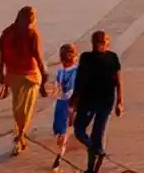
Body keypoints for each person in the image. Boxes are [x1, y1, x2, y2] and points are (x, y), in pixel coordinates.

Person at [0, 6, 48, 156]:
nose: (31, 23)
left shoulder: (33, 34)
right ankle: (20, 133)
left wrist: (43, 80)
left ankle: (20, 137)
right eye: (29, 20)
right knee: (17, 109)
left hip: (31, 76)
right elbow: (2, 54)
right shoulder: (7, 34)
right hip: (14, 75)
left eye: (32, 20)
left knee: (25, 109)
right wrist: (1, 73)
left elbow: (38, 58)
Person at [70, 31, 123, 173]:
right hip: (89, 100)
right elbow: (79, 80)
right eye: (98, 42)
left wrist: (119, 102)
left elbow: (118, 81)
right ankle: (96, 151)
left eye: (103, 42)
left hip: (103, 101)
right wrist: (74, 99)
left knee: (95, 134)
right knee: (80, 130)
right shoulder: (86, 58)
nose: (101, 44)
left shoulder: (112, 58)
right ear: (93, 43)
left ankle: (91, 168)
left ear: (107, 43)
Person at [51, 43, 79, 172]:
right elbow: (57, 87)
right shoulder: (61, 71)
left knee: (65, 130)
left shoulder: (76, 72)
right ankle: (61, 149)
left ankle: (60, 155)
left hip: (70, 103)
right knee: (61, 131)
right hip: (62, 102)